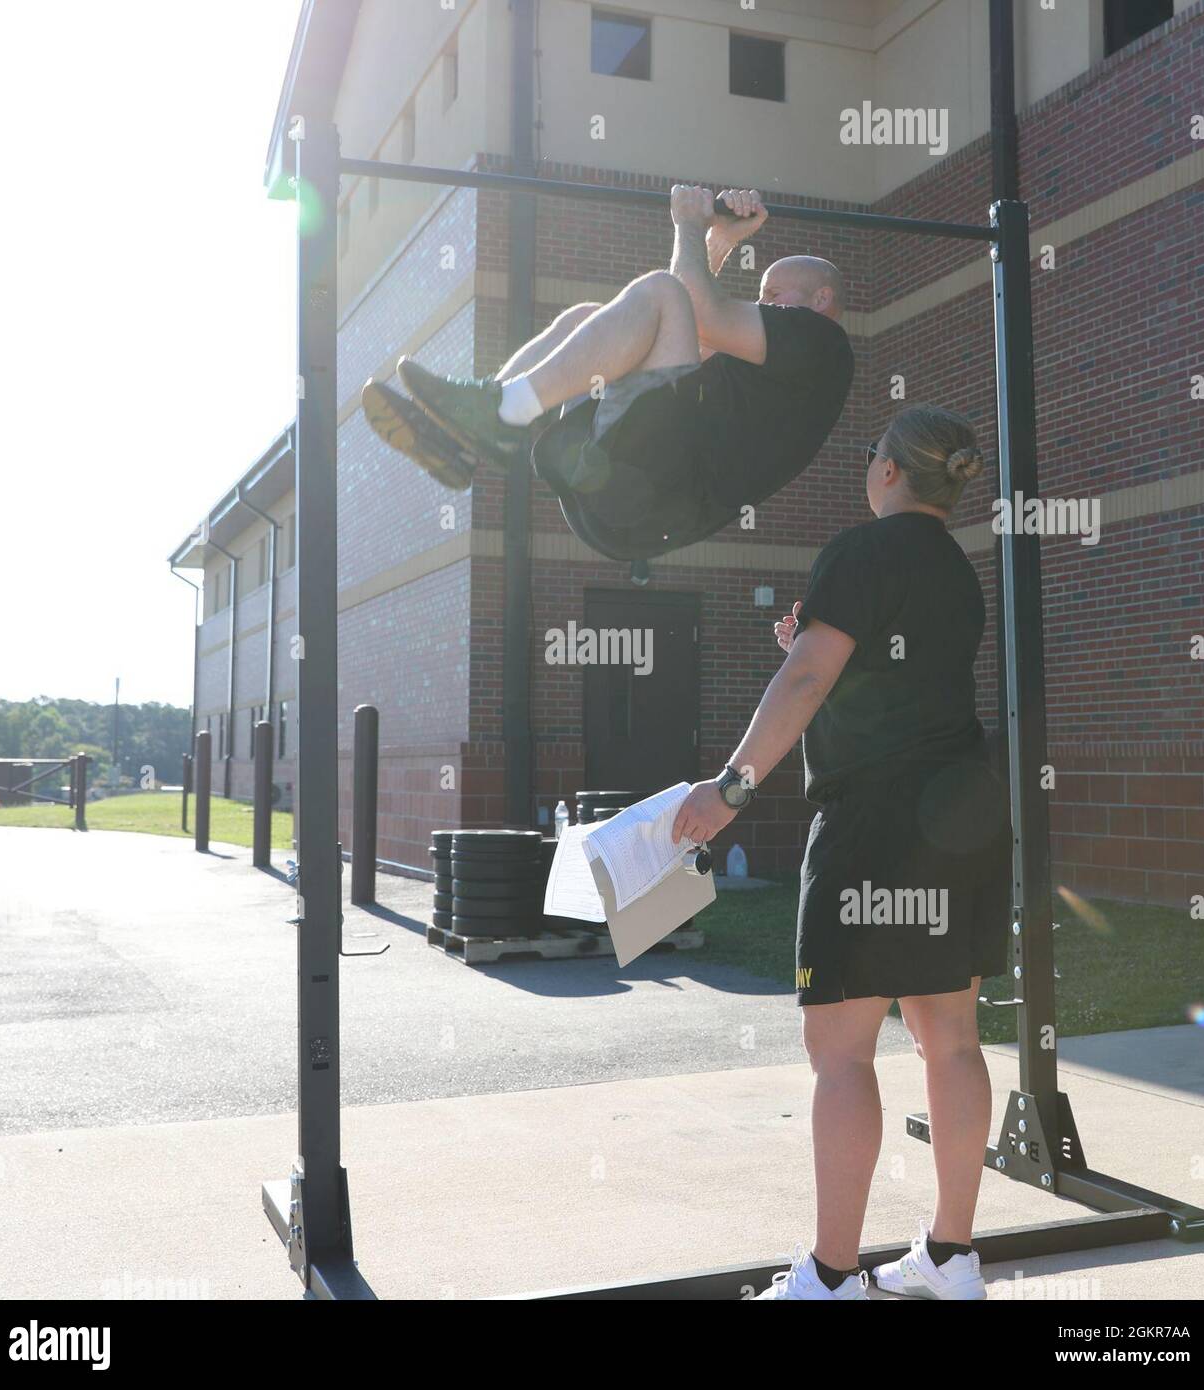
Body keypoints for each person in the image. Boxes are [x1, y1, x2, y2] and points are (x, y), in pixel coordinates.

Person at [670, 403, 1012, 1301]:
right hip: (964, 816)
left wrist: (731, 787)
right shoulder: (955, 570)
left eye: (870, 455)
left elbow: (809, 676)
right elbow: (871, 670)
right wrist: (823, 643)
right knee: (950, 1037)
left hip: (877, 826)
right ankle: (951, 1258)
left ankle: (827, 1280)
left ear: (891, 471)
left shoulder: (859, 552)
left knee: (841, 1051)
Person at [363, 186, 854, 553]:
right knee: (586, 319)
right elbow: (681, 329)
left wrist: (687, 223)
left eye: (774, 294)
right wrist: (720, 240)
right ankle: (468, 437)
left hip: (657, 484)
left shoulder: (820, 342)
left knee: (661, 290)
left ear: (821, 297)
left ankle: (504, 413)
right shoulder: (775, 367)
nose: (764, 301)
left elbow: (685, 300)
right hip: (624, 492)